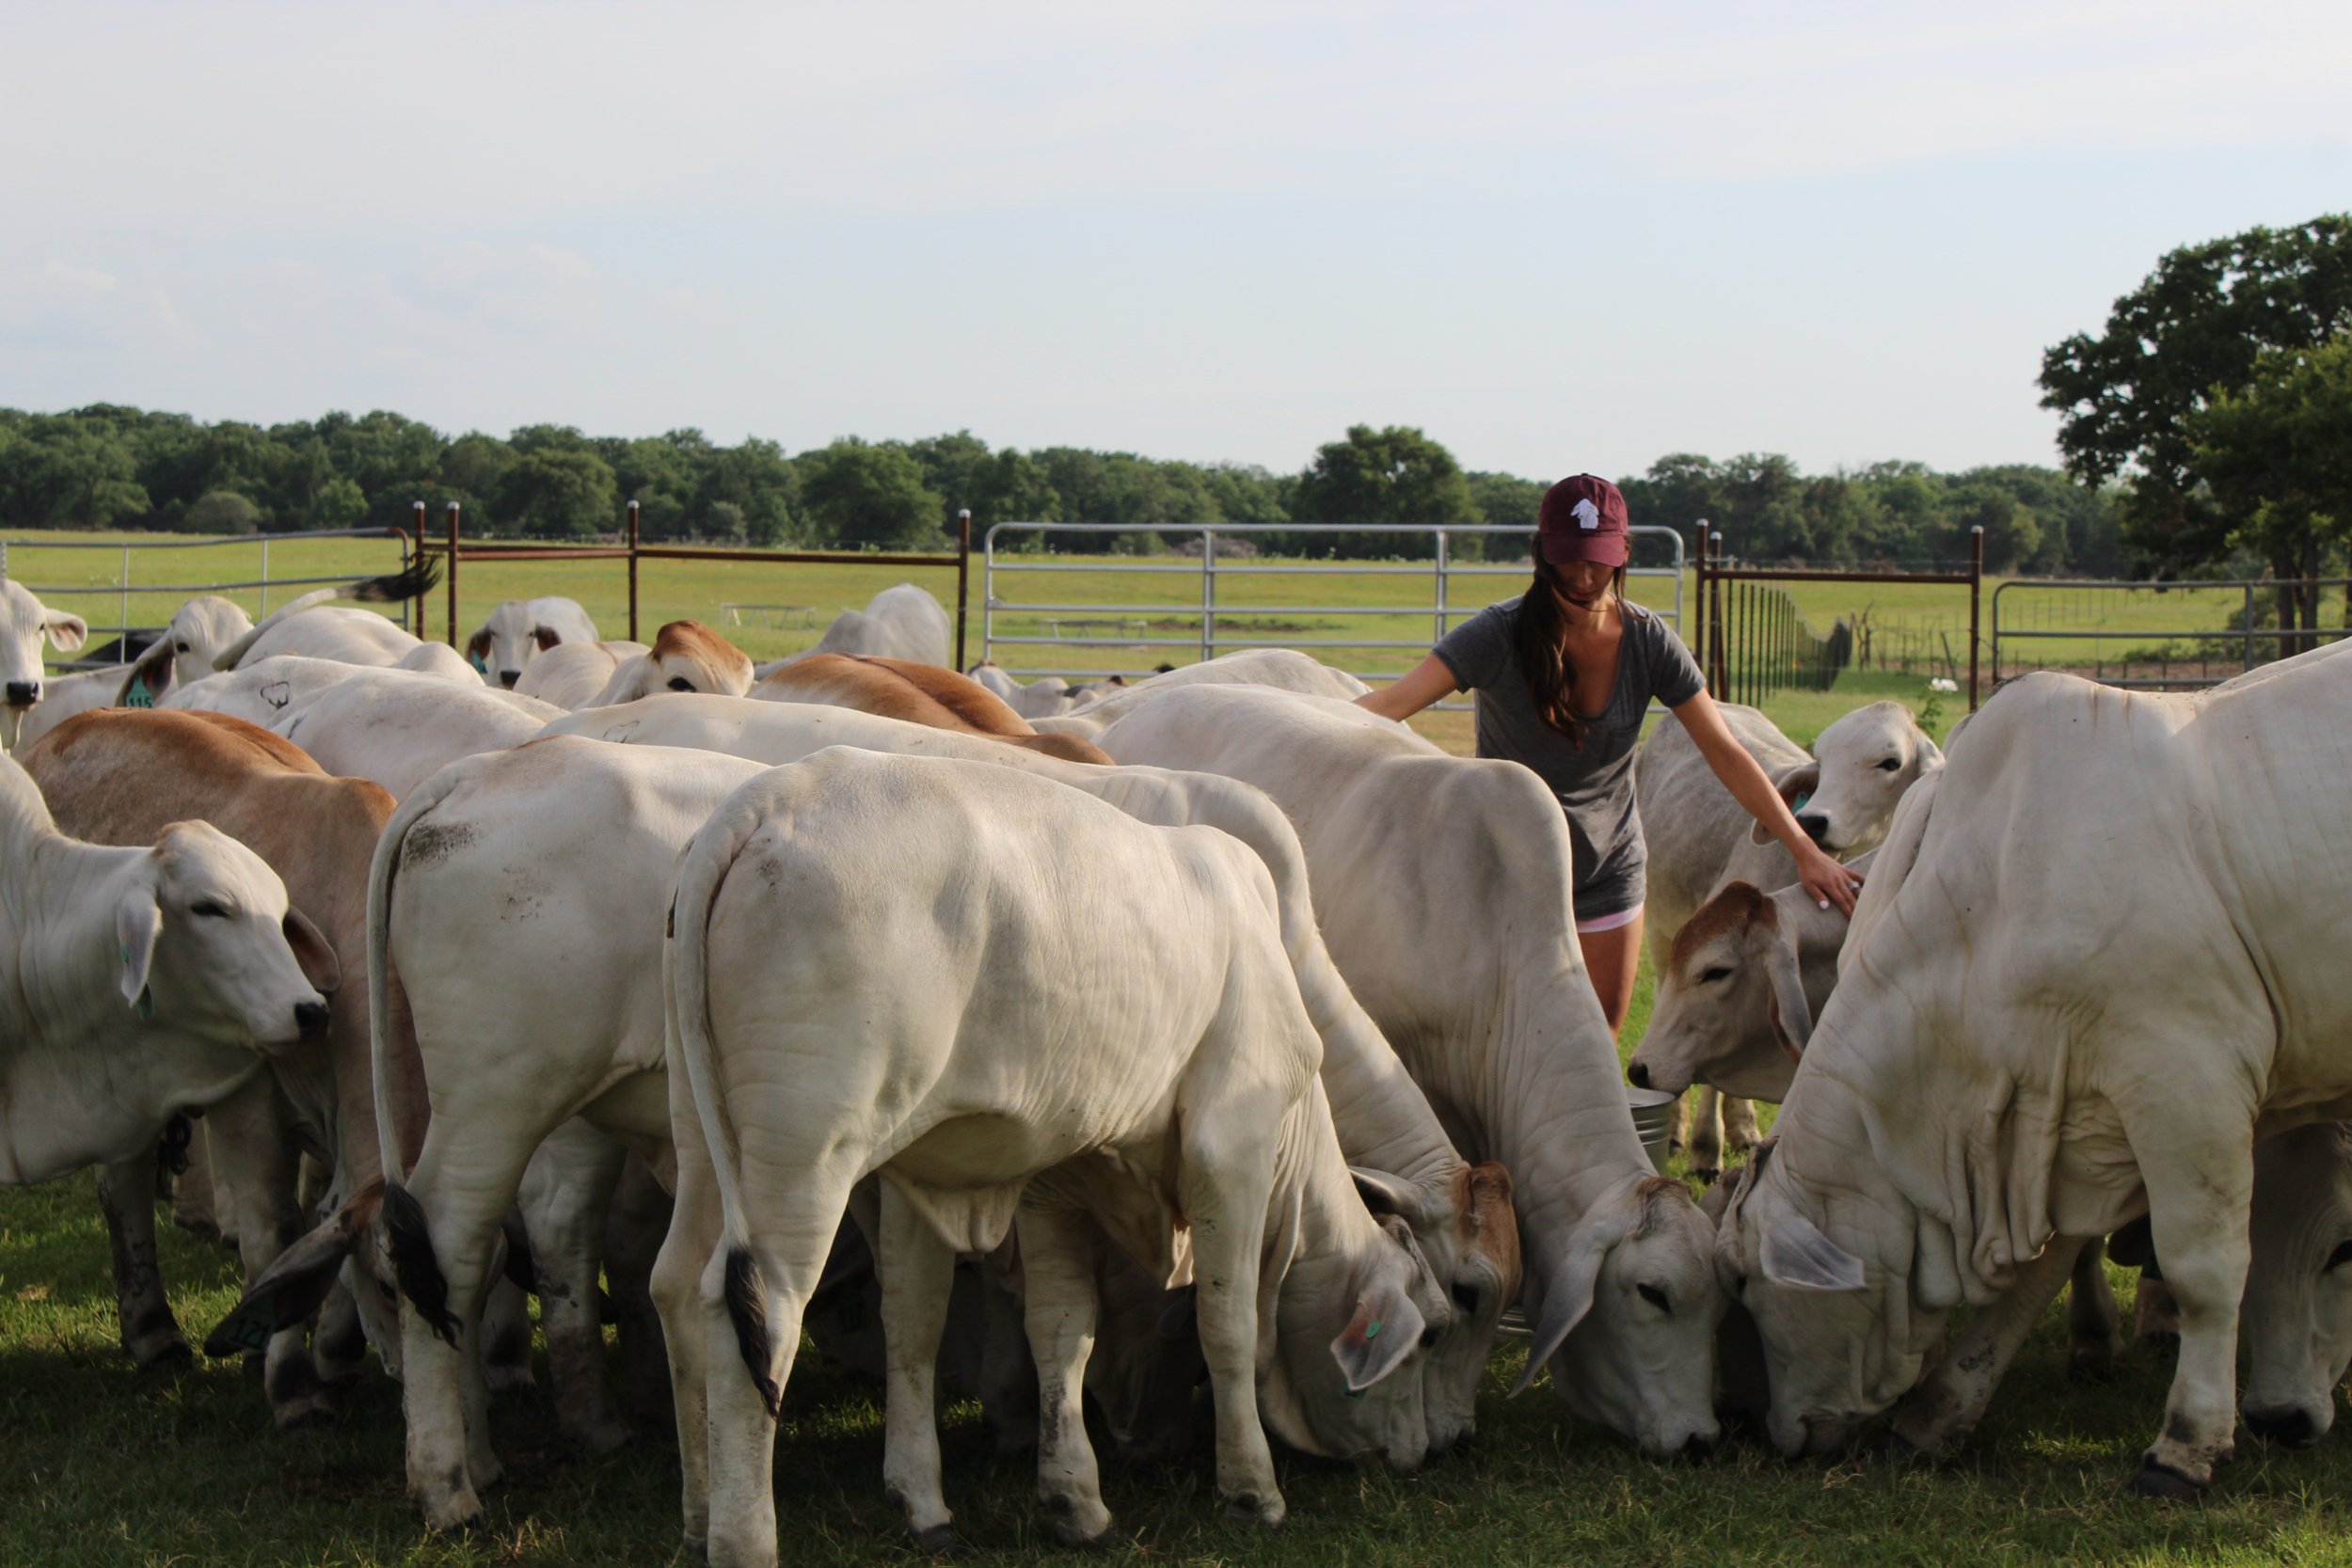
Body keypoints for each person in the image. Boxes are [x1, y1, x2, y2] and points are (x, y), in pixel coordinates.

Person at [1356, 474, 1859, 1036]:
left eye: (1598, 559)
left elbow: (1725, 751)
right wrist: (1286, 725)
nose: (1586, 575)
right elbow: (1390, 704)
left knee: (1595, 1043)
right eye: (1570, 560)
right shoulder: (1497, 634)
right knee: (1496, 1043)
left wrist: (1802, 848)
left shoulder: (1648, 640)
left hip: (1607, 867)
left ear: (1622, 554)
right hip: (1504, 862)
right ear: (1543, 555)